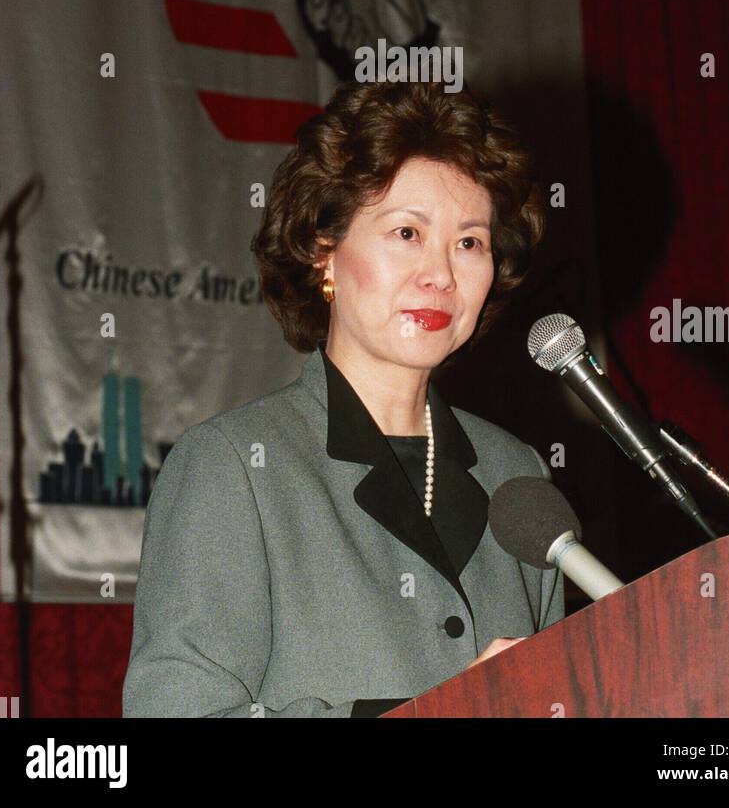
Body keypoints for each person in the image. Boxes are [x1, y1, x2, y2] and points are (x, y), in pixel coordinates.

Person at [122, 78, 565, 718]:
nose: (441, 273)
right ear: (323, 252)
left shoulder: (517, 475)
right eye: (407, 233)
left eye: (470, 242)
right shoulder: (234, 467)